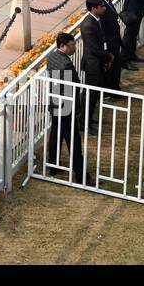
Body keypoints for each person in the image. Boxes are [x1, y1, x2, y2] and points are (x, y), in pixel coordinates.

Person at [44, 31, 87, 183]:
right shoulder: (66, 64)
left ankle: (54, 166)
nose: (74, 47)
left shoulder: (52, 57)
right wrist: (78, 107)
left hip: (55, 101)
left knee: (56, 134)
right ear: (63, 46)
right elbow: (75, 85)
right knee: (73, 139)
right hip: (66, 105)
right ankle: (81, 174)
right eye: (72, 45)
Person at [79, 0, 118, 131]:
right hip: (92, 64)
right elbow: (93, 48)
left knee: (94, 94)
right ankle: (84, 122)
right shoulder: (88, 24)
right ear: (94, 9)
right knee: (90, 94)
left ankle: (88, 117)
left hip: (98, 62)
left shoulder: (96, 20)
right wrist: (108, 56)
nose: (104, 8)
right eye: (101, 6)